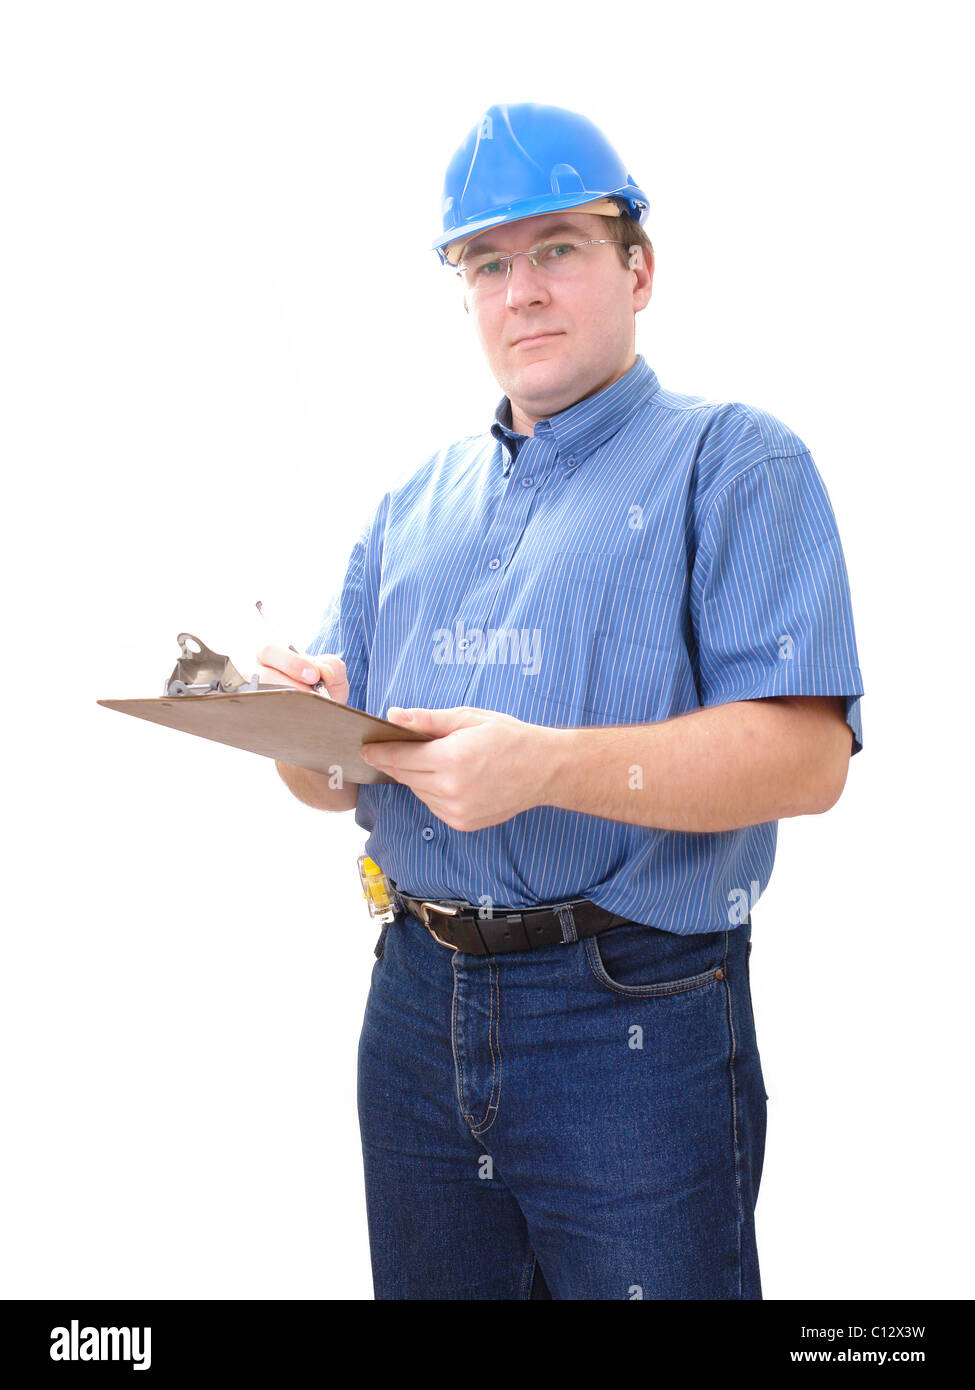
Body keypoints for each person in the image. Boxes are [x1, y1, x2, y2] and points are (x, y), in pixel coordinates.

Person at [259, 102, 864, 1300]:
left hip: (628, 1014)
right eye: (487, 263)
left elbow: (809, 758)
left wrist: (545, 767)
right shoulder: (412, 504)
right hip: (414, 1006)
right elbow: (334, 785)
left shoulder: (735, 463)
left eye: (558, 249)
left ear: (639, 270)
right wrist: (312, 727)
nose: (520, 290)